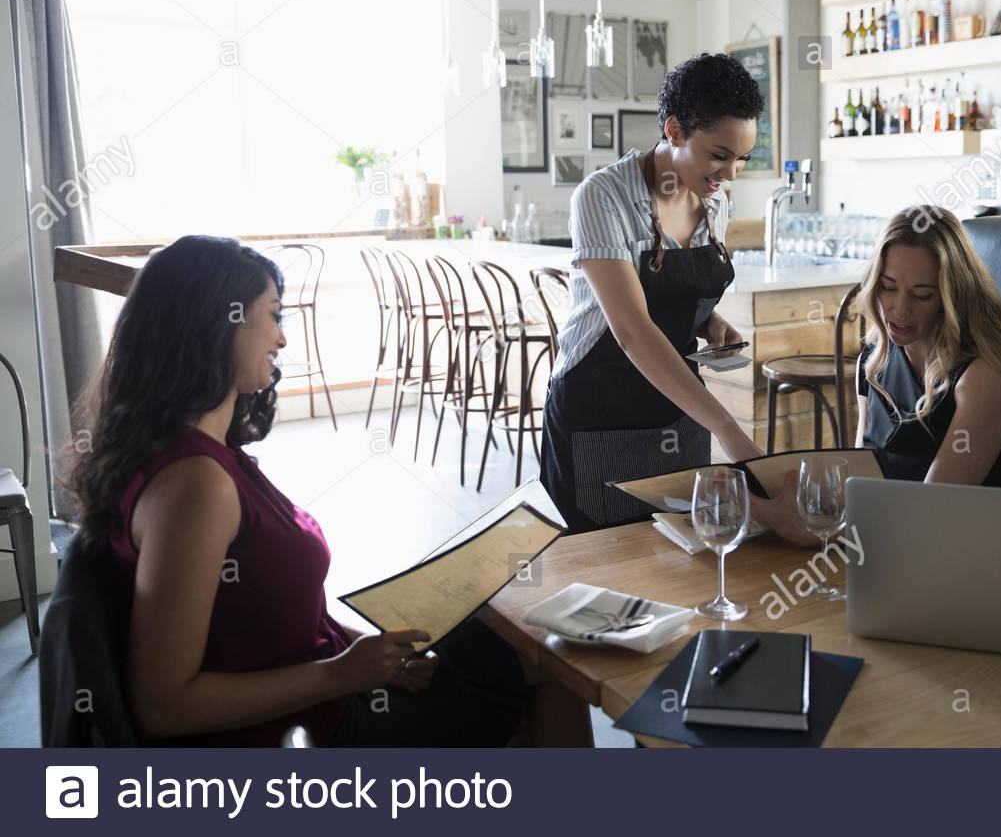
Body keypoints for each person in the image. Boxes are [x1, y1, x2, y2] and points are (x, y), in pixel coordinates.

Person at [65, 235, 591, 747]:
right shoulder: (196, 486)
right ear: (214, 324)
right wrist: (341, 674)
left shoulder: (198, 455)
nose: (283, 339)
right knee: (546, 663)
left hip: (328, 695)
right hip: (312, 730)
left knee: (514, 647)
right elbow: (162, 707)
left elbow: (265, 613)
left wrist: (365, 649)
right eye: (272, 315)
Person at [538, 52, 813, 544]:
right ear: (674, 130)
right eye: (719, 155)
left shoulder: (714, 201)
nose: (731, 174)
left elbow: (675, 291)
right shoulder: (603, 198)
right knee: (599, 567)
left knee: (687, 557)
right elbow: (632, 330)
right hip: (598, 416)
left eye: (742, 158)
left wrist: (707, 321)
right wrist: (730, 431)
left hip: (678, 414)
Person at [855, 206, 1001, 485]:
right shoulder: (874, 358)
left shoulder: (983, 379)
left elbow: (933, 509)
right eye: (888, 287)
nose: (900, 310)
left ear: (953, 296)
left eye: (922, 295)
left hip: (959, 528)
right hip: (880, 525)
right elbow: (858, 482)